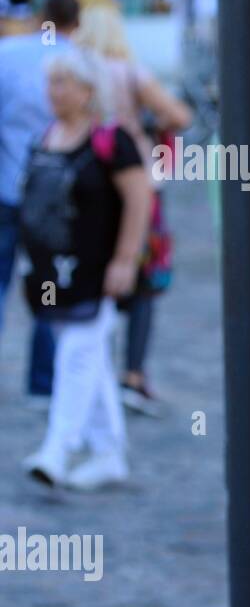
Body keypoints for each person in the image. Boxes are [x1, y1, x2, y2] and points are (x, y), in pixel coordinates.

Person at [19, 47, 152, 490]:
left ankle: (58, 448)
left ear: (87, 90)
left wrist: (125, 259)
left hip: (96, 271)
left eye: (62, 82)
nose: (53, 91)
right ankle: (108, 451)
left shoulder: (112, 140)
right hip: (50, 274)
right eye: (50, 82)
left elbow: (140, 199)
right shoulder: (45, 136)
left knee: (77, 354)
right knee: (87, 359)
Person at [76, 3, 191, 416]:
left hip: (91, 183)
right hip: (140, 179)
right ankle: (133, 375)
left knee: (92, 273)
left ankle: (93, 373)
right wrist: (144, 124)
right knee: (144, 283)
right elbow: (178, 115)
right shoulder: (128, 71)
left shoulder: (76, 72)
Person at [0, 0, 78, 409]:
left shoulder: (7, 53)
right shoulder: (77, 63)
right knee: (48, 285)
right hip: (52, 199)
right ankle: (42, 383)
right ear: (74, 22)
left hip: (6, 187)